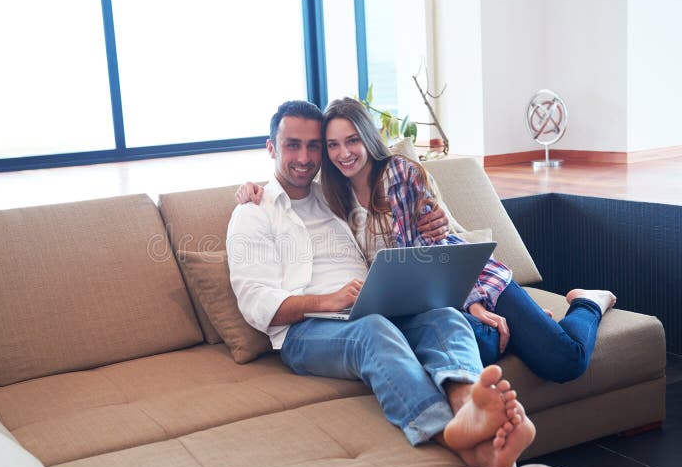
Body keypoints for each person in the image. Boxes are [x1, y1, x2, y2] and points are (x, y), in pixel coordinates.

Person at [227, 100, 535, 467]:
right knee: (372, 332)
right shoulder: (253, 213)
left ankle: (469, 410)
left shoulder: (333, 196)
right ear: (271, 148)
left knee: (444, 317)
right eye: (293, 145)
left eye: (314, 146)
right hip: (305, 332)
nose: (305, 157)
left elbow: (396, 209)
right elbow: (255, 304)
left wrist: (437, 219)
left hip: (375, 306)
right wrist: (328, 301)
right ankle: (443, 431)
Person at [241, 96, 614, 384]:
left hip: (468, 280)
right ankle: (523, 326)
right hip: (424, 304)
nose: (343, 153)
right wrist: (249, 189)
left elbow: (421, 258)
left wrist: (471, 304)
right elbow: (288, 183)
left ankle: (587, 303)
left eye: (352, 140)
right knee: (474, 344)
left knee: (564, 361)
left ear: (368, 138)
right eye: (333, 145)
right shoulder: (331, 196)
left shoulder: (399, 175)